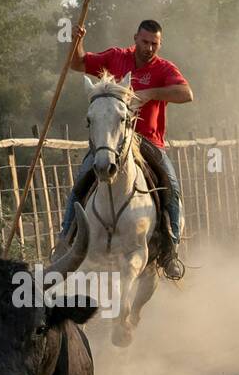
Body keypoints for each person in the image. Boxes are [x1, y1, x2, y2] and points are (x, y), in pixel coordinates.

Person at [60, 19, 194, 278]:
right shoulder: (116, 57)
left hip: (148, 142)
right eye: (145, 42)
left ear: (160, 44)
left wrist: (151, 93)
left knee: (172, 187)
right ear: (135, 38)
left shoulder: (164, 68)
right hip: (111, 142)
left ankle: (170, 250)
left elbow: (186, 93)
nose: (149, 48)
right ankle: (65, 240)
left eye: (154, 44)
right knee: (80, 184)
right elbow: (77, 63)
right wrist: (77, 41)